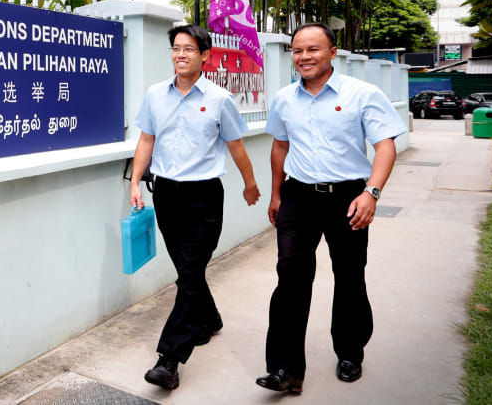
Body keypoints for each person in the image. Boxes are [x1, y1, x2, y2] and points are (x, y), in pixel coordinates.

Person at [255, 23, 406, 394]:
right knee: (290, 280)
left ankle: (351, 350)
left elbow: (385, 146)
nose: (304, 57)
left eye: (313, 50)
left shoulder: (362, 94)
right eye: (297, 51)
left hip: (349, 197)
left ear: (333, 52)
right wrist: (276, 195)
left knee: (350, 275)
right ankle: (284, 369)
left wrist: (371, 193)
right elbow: (279, 147)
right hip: (298, 197)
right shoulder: (284, 99)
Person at [130, 24, 261, 390]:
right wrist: (135, 182)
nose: (181, 54)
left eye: (189, 49)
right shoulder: (156, 95)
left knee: (189, 273)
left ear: (205, 56)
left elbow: (236, 146)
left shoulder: (220, 99)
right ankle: (211, 318)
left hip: (204, 197)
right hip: (166, 195)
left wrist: (250, 184)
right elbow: (145, 139)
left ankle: (169, 359)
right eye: (176, 48)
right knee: (189, 271)